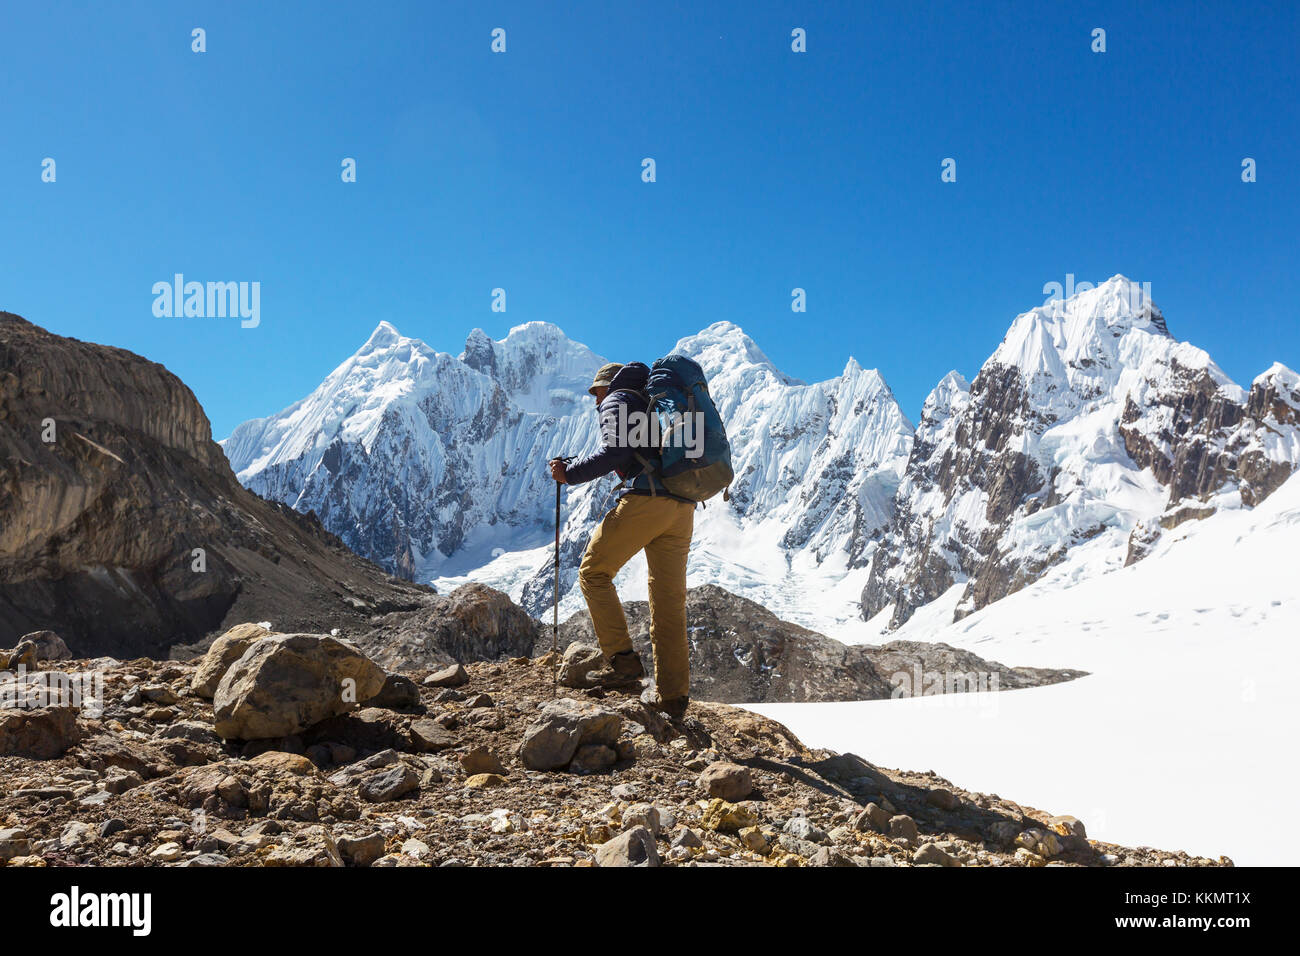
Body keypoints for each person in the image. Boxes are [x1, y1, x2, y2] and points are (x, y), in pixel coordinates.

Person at [549, 361, 694, 719]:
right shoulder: (655, 405)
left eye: (595, 392)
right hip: (682, 508)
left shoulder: (618, 399)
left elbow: (616, 451)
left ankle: (623, 662)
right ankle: (673, 698)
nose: (595, 401)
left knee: (593, 572)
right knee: (668, 603)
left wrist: (569, 474)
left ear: (606, 385)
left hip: (646, 501)